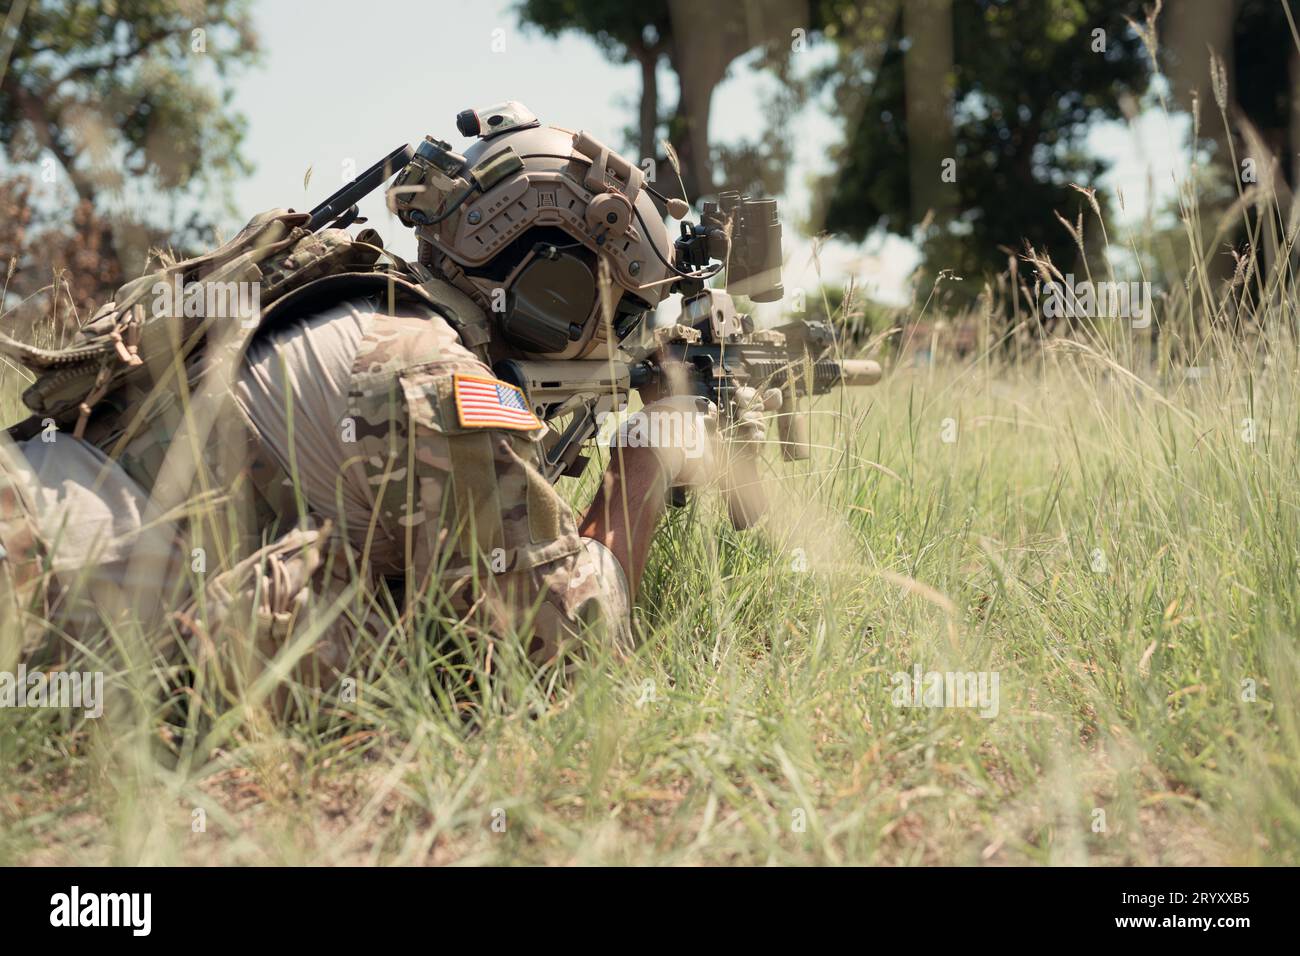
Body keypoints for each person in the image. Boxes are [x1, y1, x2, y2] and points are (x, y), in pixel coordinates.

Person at [0, 101, 775, 688]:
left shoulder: (359, 302)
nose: (625, 340)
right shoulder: (434, 375)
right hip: (35, 580)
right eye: (626, 311)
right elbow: (567, 653)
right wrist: (645, 454)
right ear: (555, 290)